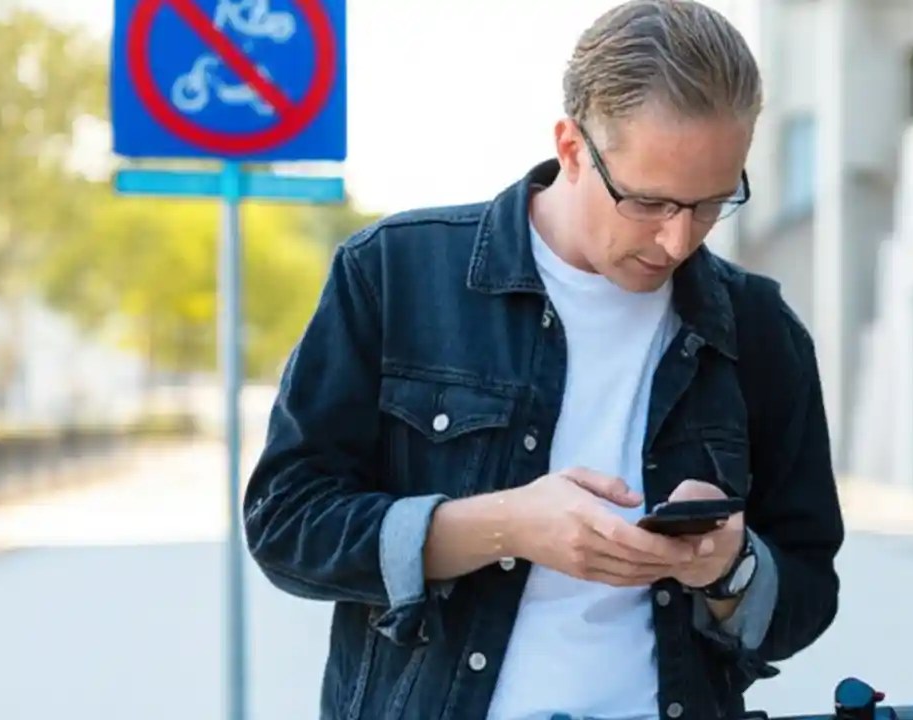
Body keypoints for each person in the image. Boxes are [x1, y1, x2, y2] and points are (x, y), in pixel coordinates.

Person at [243, 1, 845, 718]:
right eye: (649, 202)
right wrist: (506, 526)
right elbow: (287, 523)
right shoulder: (395, 273)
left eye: (712, 202)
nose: (679, 240)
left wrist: (728, 568)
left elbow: (809, 590)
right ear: (571, 147)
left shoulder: (761, 331)